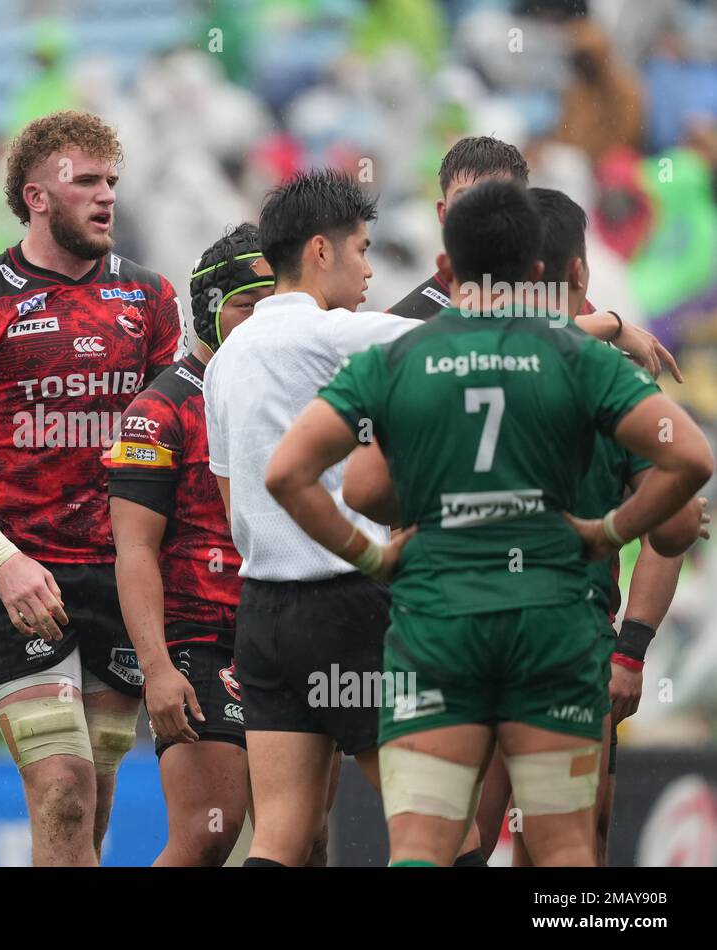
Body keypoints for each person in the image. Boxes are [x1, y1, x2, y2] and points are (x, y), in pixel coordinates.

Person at [266, 180, 713, 866]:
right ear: (541, 271)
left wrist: (373, 558)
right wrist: (608, 532)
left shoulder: (396, 358)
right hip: (554, 626)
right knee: (563, 844)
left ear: (445, 270)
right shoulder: (582, 358)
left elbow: (293, 475)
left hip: (437, 628)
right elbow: (689, 460)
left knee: (423, 844)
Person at [0, 111, 181, 866]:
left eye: (111, 182)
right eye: (85, 181)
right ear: (35, 196)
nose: (105, 197)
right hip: (17, 579)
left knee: (87, 813)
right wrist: (3, 557)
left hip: (121, 579)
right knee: (60, 792)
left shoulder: (152, 300)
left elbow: (170, 450)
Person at [202, 170, 431, 867]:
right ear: (321, 253)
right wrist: (601, 325)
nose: (368, 269)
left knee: (279, 837)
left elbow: (230, 498)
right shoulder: (332, 336)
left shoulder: (223, 361)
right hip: (349, 596)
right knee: (433, 823)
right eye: (361, 249)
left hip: (265, 612)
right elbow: (468, 347)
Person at [107, 223, 271, 866]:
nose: (258, 323)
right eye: (244, 307)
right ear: (208, 310)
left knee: (303, 839)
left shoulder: (285, 394)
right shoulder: (162, 409)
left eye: (270, 305)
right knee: (207, 837)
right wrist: (157, 671)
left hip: (283, 633)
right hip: (202, 641)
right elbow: (135, 551)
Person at [387, 136, 681, 384]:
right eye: (465, 200)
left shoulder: (561, 294)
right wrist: (607, 325)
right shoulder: (406, 317)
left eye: (499, 200)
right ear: (442, 213)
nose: (480, 217)